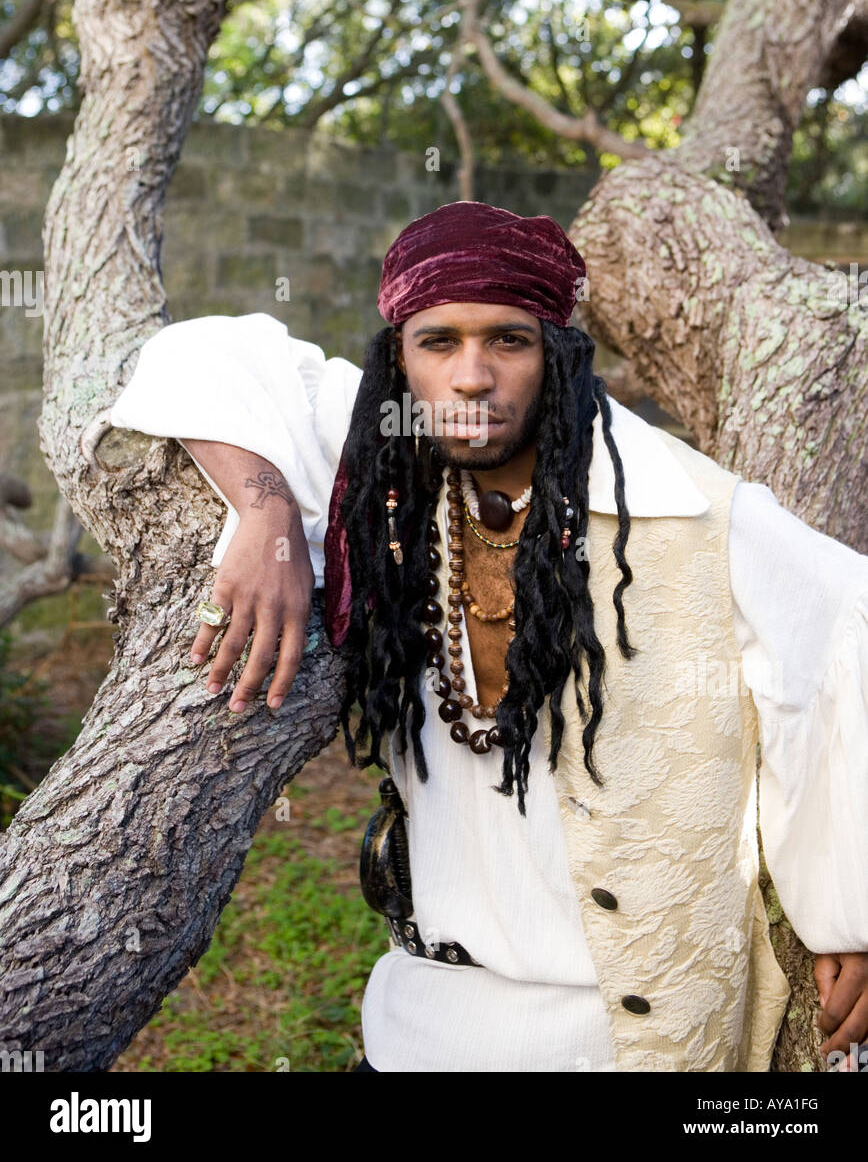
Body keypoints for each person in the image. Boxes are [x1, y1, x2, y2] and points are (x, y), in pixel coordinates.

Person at [108, 199, 868, 1073]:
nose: (471, 375)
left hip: (639, 1036)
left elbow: (842, 622)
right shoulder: (382, 463)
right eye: (438, 342)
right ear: (401, 360)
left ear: (558, 357)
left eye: (508, 340)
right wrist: (266, 507)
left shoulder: (689, 510)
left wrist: (845, 909)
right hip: (425, 1021)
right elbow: (196, 355)